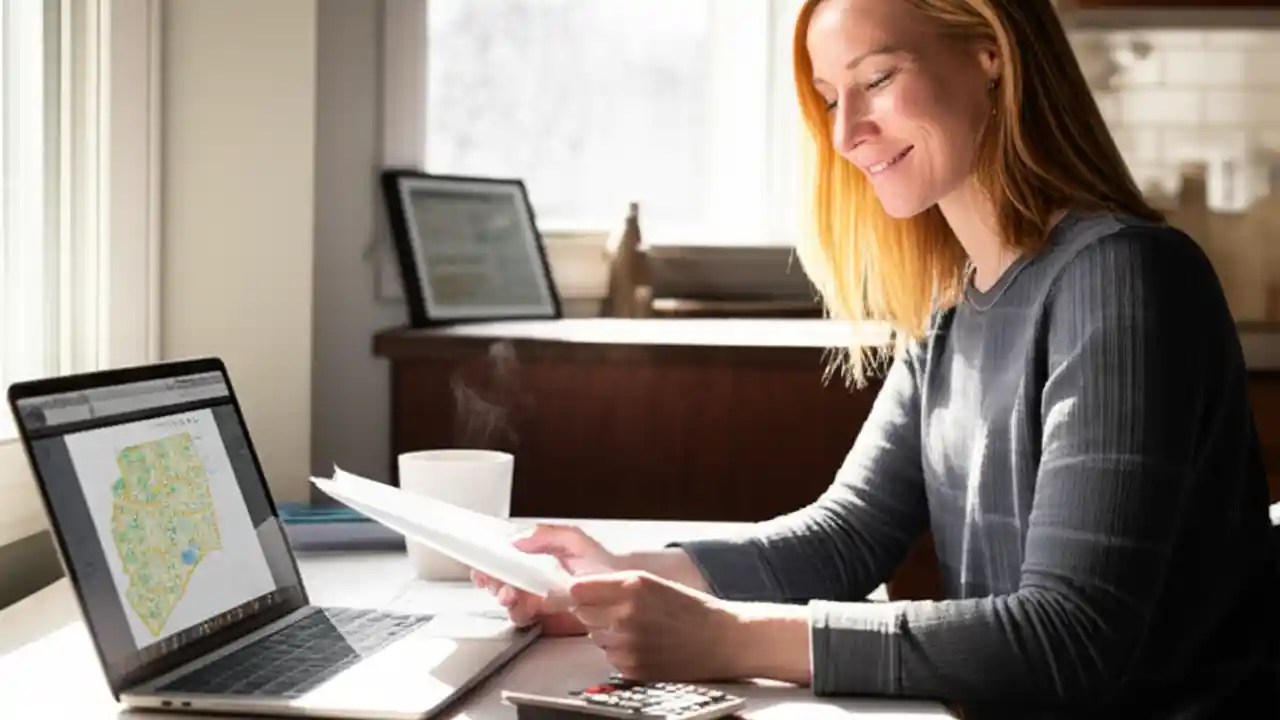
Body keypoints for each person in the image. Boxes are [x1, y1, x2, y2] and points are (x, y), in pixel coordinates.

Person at [472, 0, 1278, 716]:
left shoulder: (1122, 278)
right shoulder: (952, 304)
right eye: (829, 98)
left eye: (878, 79)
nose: (845, 131)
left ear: (989, 54)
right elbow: (845, 537)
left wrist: (728, 637)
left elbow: (1070, 637)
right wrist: (621, 580)